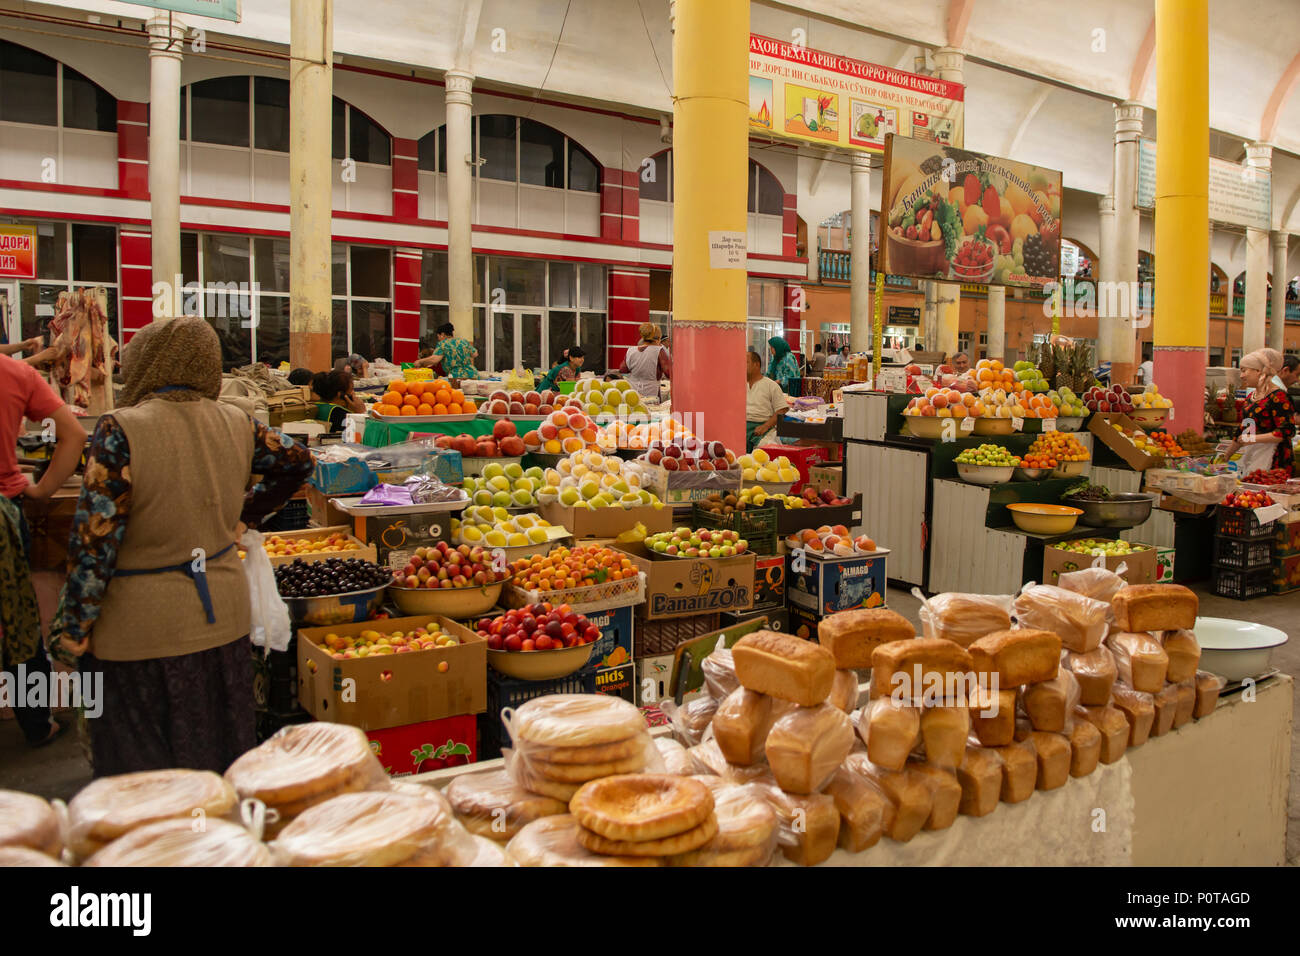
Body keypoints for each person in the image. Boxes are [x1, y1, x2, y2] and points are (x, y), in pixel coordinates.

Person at [50, 317, 314, 776]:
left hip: (139, 632)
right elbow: (298, 463)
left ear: (147, 362)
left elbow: (94, 544)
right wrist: (245, 514)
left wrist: (71, 631)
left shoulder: (120, 429)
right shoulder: (237, 422)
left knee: (144, 774)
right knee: (215, 756)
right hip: (225, 623)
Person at [0, 351, 87, 749]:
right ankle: (37, 724)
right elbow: (75, 435)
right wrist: (41, 491)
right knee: (18, 626)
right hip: (4, 513)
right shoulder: (15, 373)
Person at [1225, 348, 1295, 476]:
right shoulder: (1251, 397)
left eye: (1244, 370)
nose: (1241, 376)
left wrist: (1254, 438)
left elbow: (1287, 431)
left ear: (1258, 371)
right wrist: (1227, 455)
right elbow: (1246, 430)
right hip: (1255, 456)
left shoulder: (1278, 396)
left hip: (1275, 462)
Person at [746, 350, 789, 452]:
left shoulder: (771, 385)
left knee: (764, 450)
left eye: (746, 362)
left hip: (762, 427)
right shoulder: (737, 385)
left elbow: (782, 410)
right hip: (740, 427)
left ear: (756, 365)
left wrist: (765, 426)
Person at [619, 323, 671, 402]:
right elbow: (669, 373)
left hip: (633, 392)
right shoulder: (659, 351)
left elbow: (623, 370)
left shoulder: (631, 350)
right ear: (658, 337)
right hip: (652, 393)